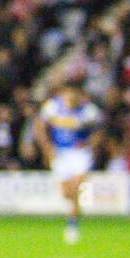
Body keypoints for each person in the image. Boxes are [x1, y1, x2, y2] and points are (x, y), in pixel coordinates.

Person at [35, 81, 100, 244]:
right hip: (60, 152)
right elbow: (40, 126)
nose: (69, 96)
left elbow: (99, 132)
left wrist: (90, 145)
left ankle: (72, 224)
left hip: (80, 154)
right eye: (66, 92)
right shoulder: (53, 107)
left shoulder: (88, 110)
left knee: (77, 186)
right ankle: (75, 212)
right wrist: (47, 147)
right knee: (67, 193)